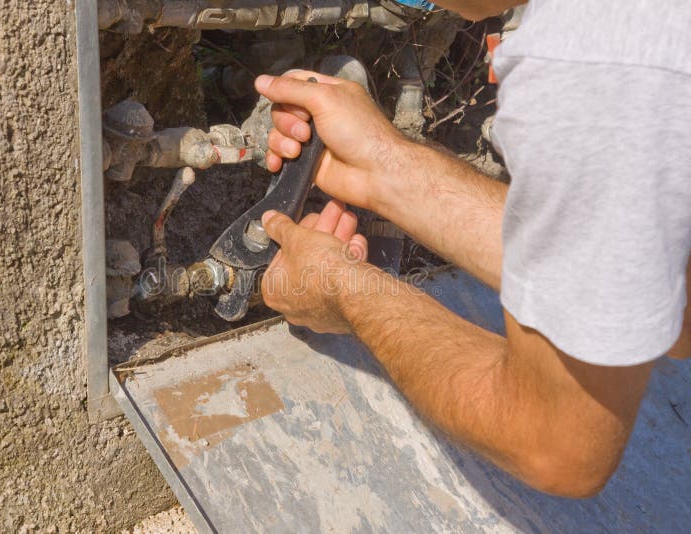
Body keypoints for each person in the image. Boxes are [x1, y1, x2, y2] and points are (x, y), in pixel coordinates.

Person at [252, 0, 691, 497]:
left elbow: (556, 444)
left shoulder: (590, 54)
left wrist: (343, 288)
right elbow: (665, 289)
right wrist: (385, 165)